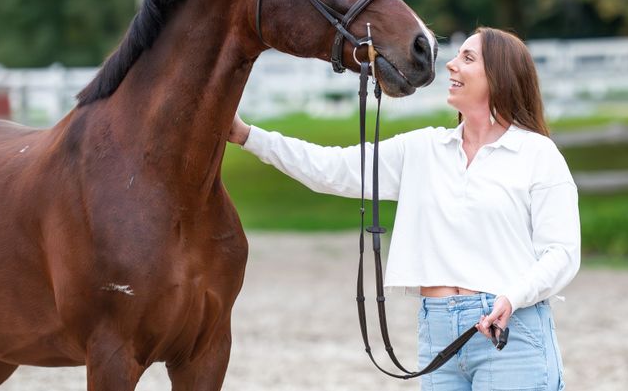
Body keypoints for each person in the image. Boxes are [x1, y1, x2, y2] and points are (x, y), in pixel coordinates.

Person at [227, 27, 580, 390]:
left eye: (467, 58)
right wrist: (248, 136)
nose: (451, 66)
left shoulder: (537, 155)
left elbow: (562, 253)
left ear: (500, 75)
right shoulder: (423, 150)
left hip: (511, 330)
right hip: (438, 330)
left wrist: (513, 297)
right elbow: (331, 169)